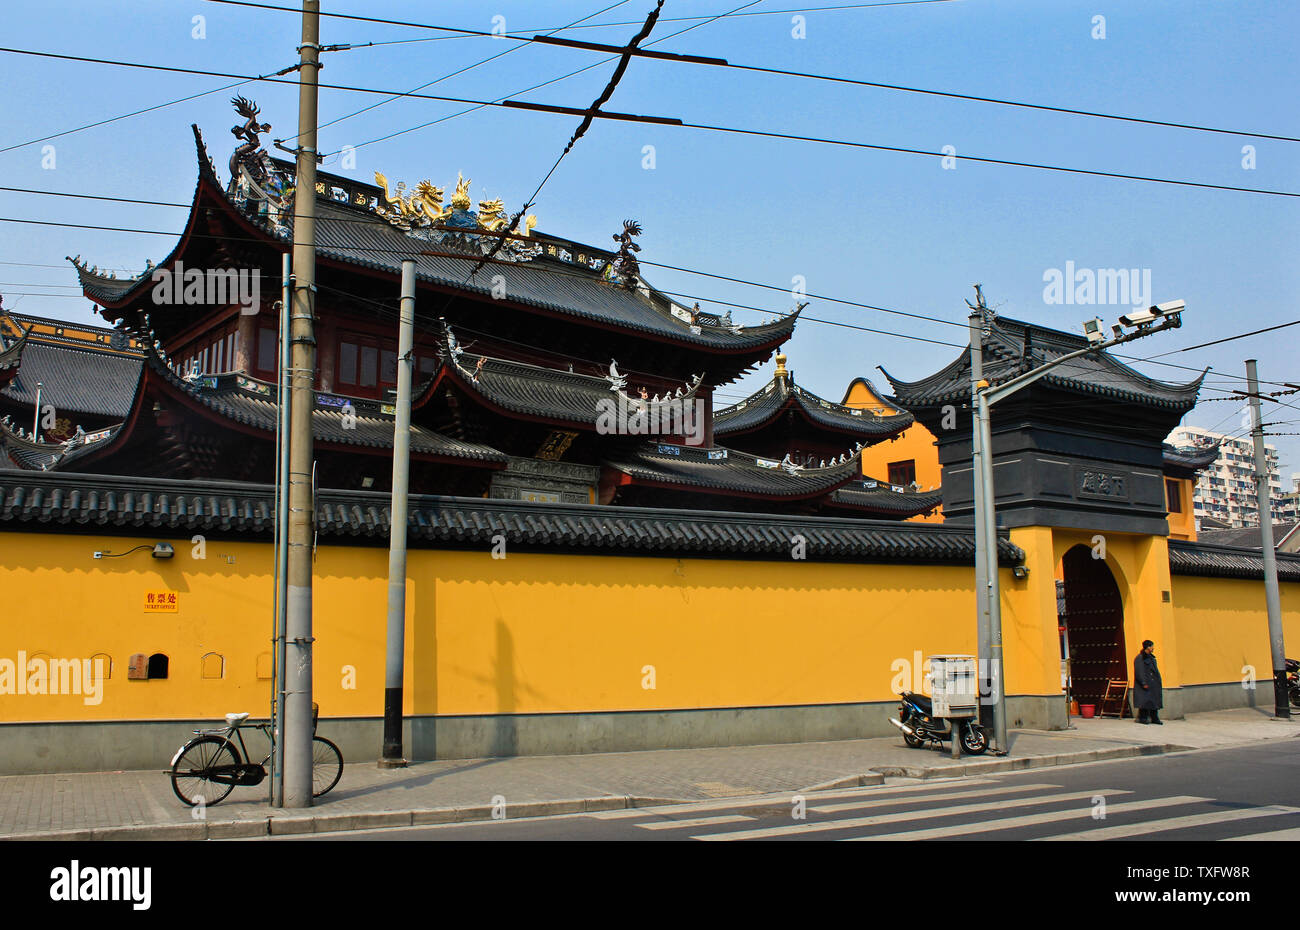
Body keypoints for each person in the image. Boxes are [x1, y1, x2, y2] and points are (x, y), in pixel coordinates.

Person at [1133, 640, 1163, 725]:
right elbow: (1139, 672)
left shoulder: (1151, 657)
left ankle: (1155, 718)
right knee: (1145, 702)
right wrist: (1143, 683)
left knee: (1154, 702)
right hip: (1146, 684)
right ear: (1148, 647)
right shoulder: (1140, 658)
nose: (1153, 648)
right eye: (1152, 646)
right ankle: (1143, 718)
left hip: (1153, 684)